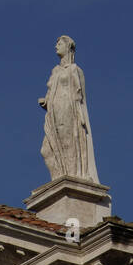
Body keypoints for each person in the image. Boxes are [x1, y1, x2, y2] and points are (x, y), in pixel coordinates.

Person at [39, 35, 98, 183]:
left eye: (59, 43)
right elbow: (52, 90)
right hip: (53, 114)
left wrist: (80, 117)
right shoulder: (55, 70)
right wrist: (46, 101)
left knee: (68, 144)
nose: (56, 46)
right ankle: (58, 177)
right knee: (46, 150)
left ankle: (72, 176)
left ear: (68, 47)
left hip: (68, 111)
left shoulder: (75, 70)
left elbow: (80, 97)